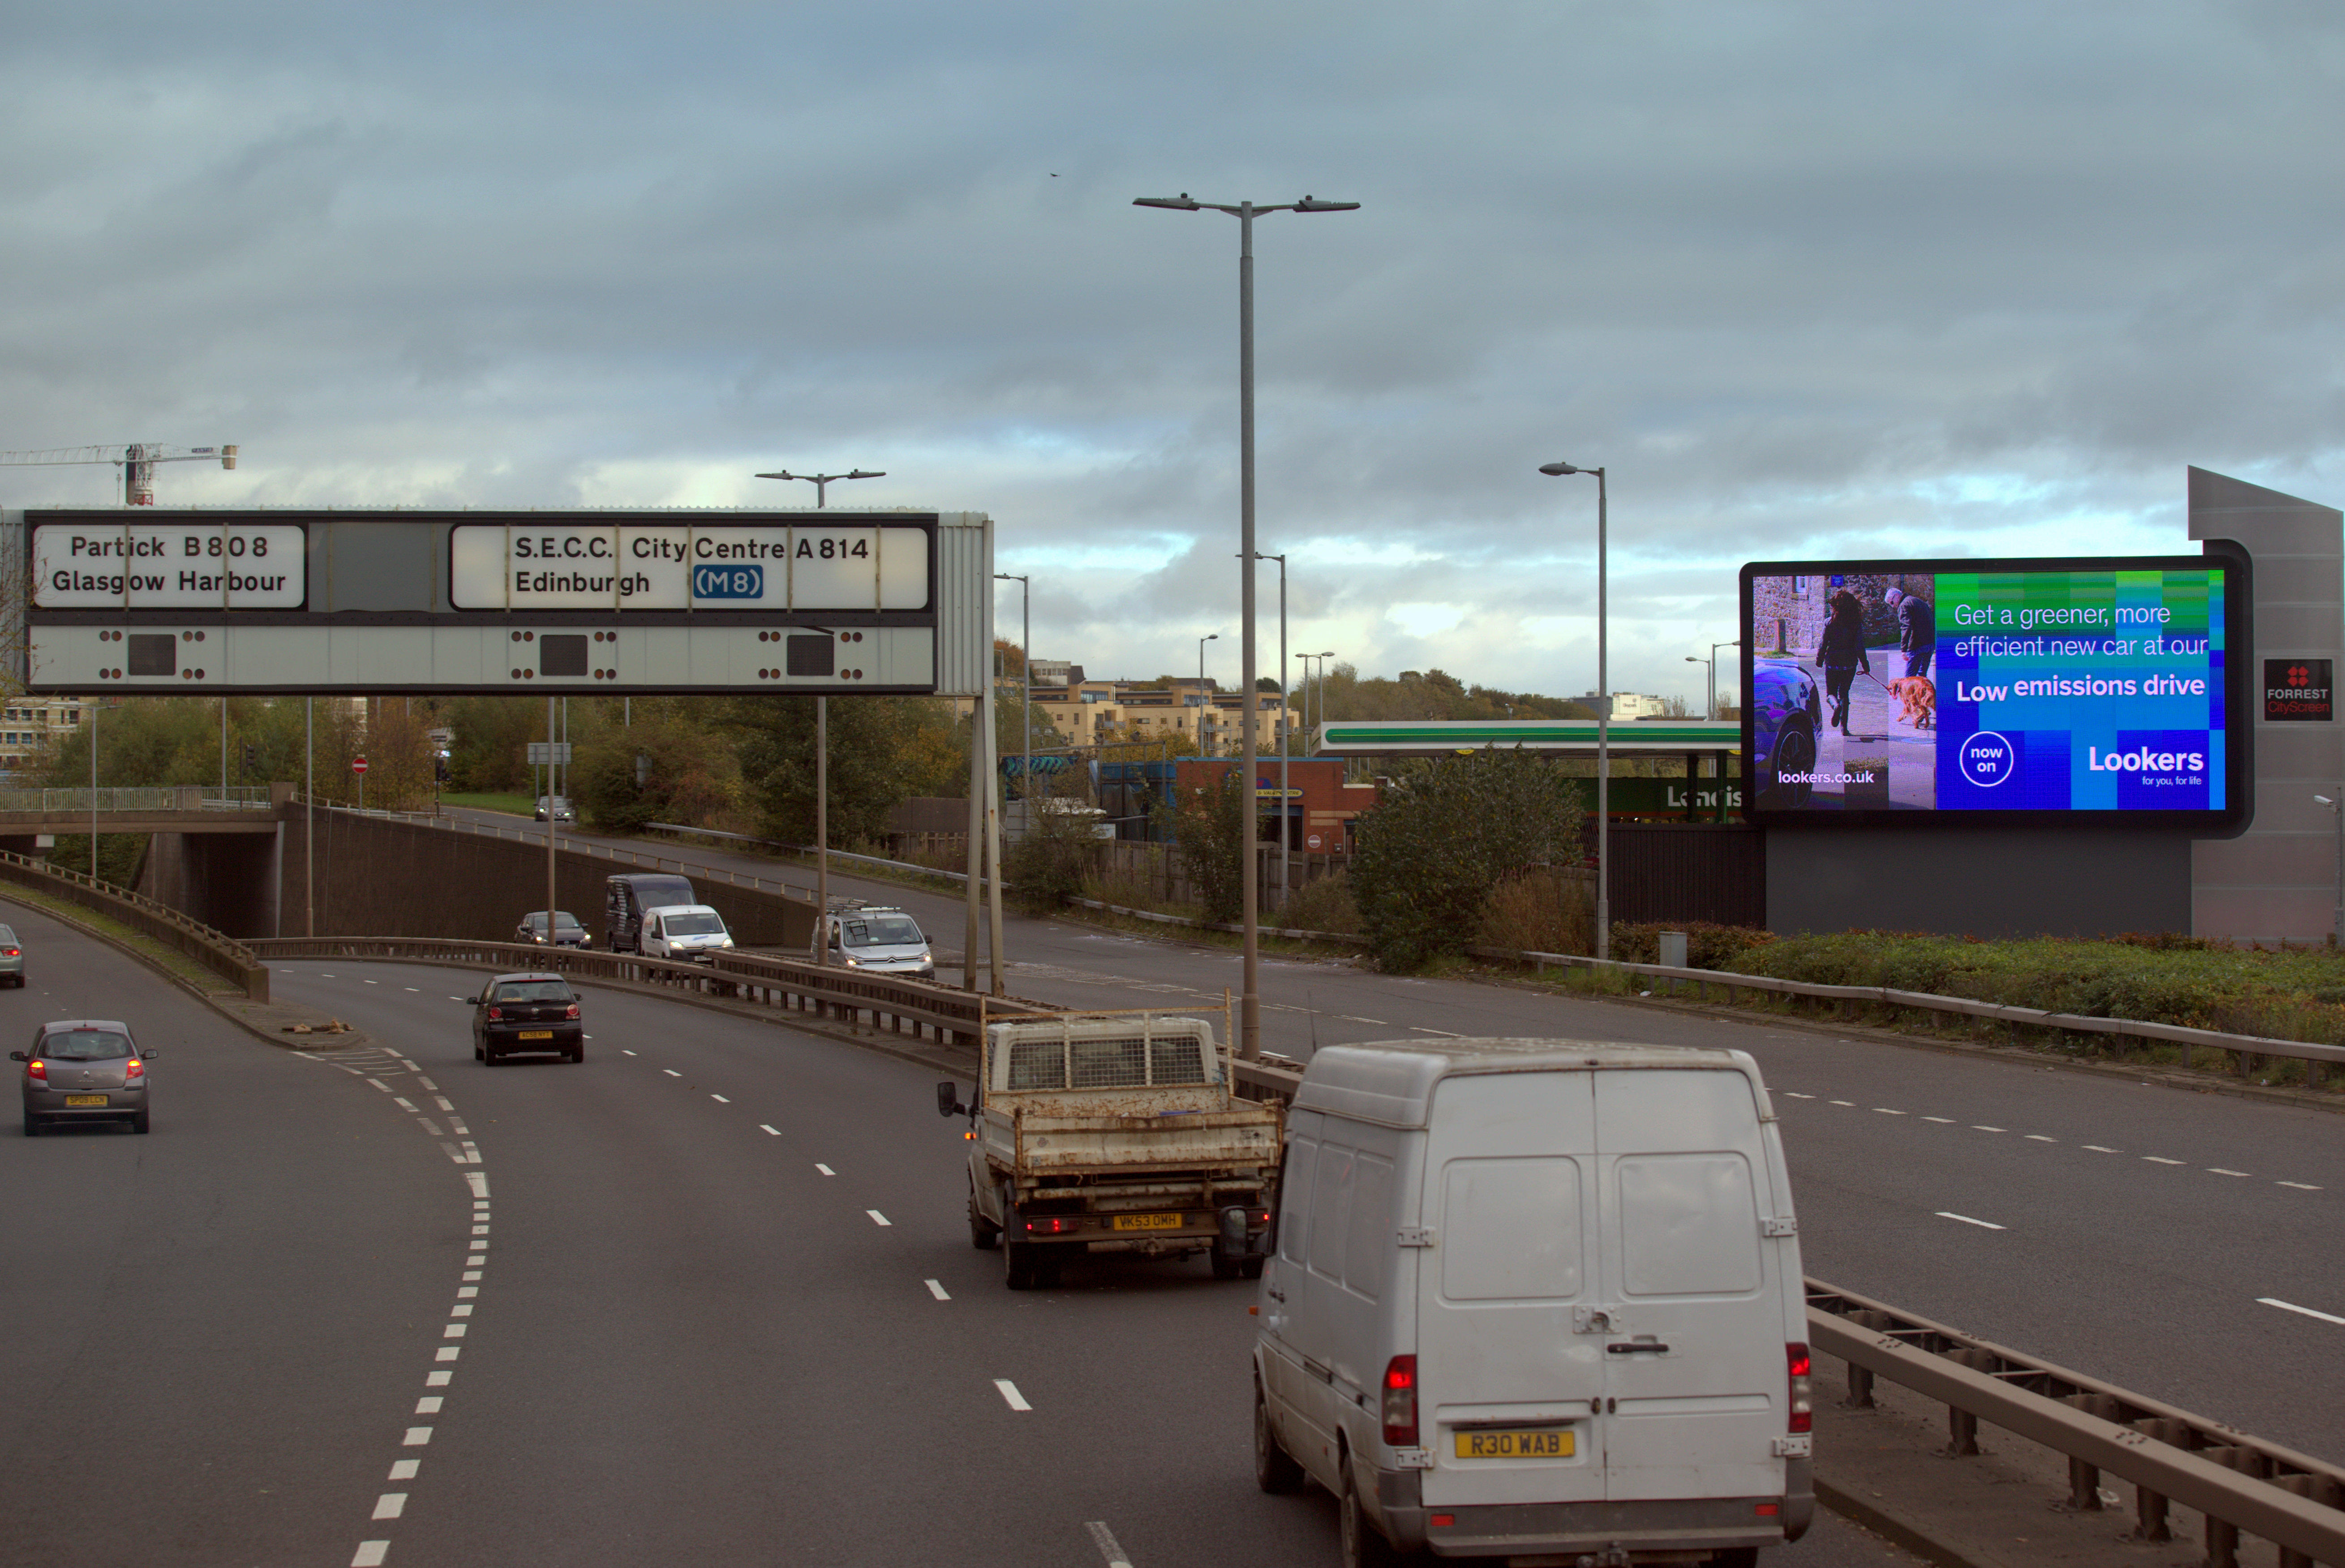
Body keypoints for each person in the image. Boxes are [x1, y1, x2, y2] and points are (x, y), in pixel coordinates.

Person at [1815, 588, 1869, 735]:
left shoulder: (1829, 622)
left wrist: (1819, 660)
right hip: (1850, 663)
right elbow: (1860, 646)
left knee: (1830, 694)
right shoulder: (1856, 623)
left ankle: (1835, 706)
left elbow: (1823, 644)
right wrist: (1866, 665)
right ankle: (1844, 729)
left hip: (1832, 662)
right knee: (1845, 694)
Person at [1885, 586, 1935, 681]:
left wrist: (1904, 650)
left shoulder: (1904, 605)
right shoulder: (1918, 601)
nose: (1893, 606)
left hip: (1917, 646)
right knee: (1922, 678)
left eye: (1892, 602)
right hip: (1929, 644)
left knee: (1909, 680)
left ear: (1897, 596)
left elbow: (1906, 627)